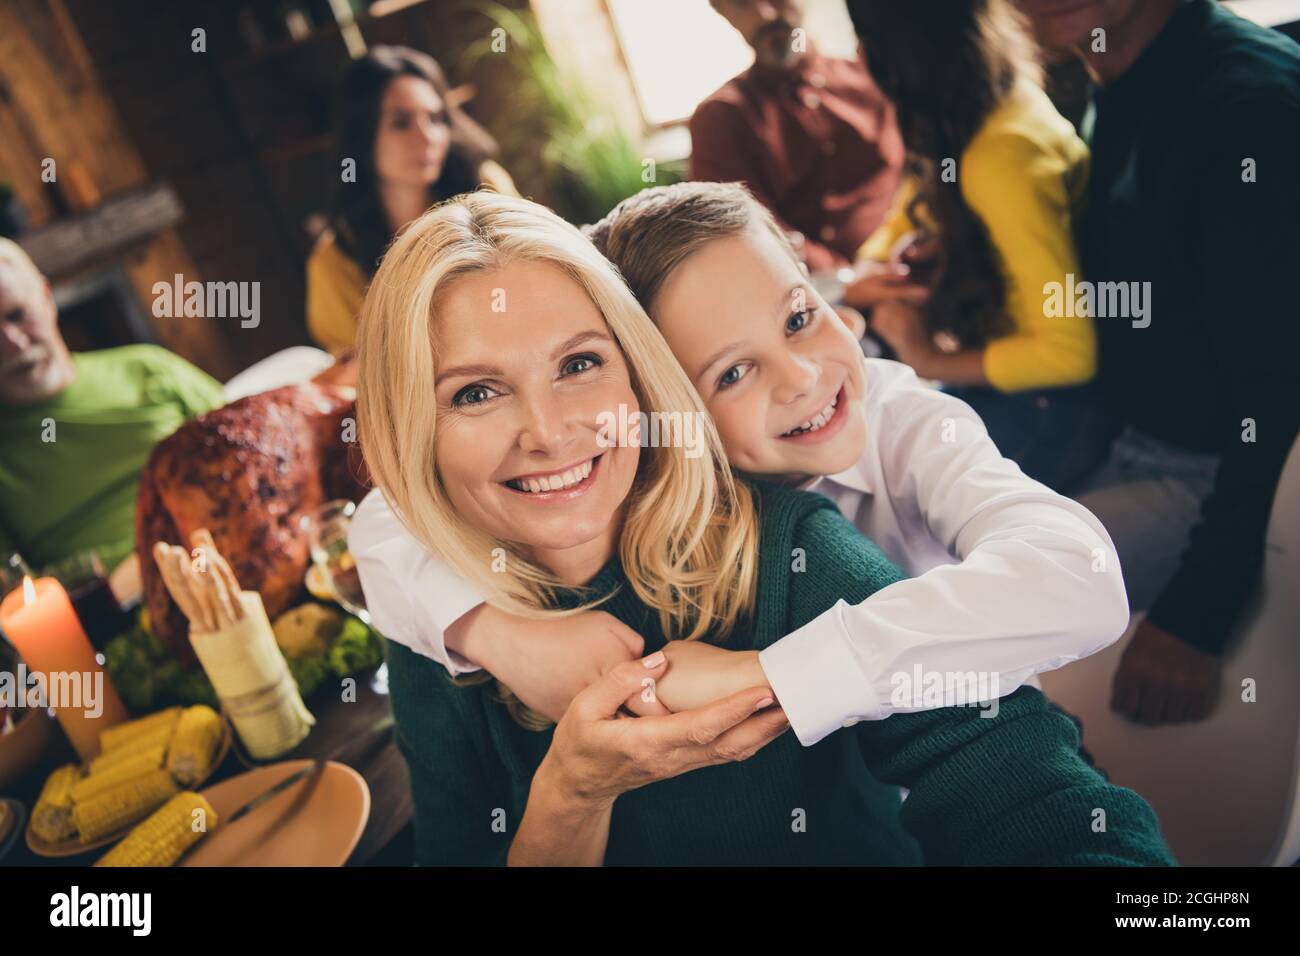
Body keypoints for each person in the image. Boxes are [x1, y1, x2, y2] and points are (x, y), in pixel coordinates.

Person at [356, 190, 1172, 865]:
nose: (549, 431)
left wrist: (772, 676)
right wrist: (504, 652)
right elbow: (383, 518)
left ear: (638, 380)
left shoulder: (832, 498)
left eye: (577, 364)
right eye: (474, 393)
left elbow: (1014, 757)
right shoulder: (440, 628)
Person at [1013, 0, 1300, 724]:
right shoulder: (1113, 78)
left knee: (961, 588)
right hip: (1123, 436)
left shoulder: (1248, 106)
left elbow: (1279, 391)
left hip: (1210, 480)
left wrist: (1196, 616)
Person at [841, 0, 1112, 491]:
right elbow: (907, 207)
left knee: (895, 495)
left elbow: (1069, 355)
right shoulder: (981, 104)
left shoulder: (1000, 158)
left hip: (1053, 405)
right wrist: (872, 267)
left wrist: (928, 359)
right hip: (1011, 377)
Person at [0, 238, 225, 571]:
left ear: (47, 300)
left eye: (18, 315)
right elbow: (14, 590)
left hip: (229, 546)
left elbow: (249, 446)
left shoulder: (148, 367)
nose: (12, 343)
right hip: (109, 610)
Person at [306, 45, 517, 355]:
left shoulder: (487, 187)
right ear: (360, 137)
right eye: (401, 123)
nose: (427, 136)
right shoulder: (334, 265)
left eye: (436, 118)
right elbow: (359, 374)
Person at [689, 0, 903, 272]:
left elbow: (926, 175)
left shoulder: (876, 74)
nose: (764, 14)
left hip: (913, 260)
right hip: (815, 295)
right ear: (723, 15)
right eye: (742, 4)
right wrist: (845, 281)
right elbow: (745, 231)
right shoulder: (719, 118)